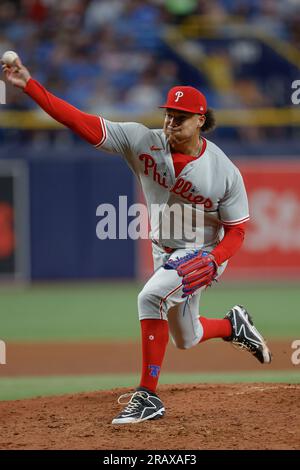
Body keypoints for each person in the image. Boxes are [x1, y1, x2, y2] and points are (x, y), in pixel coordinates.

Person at [2, 57, 272, 425]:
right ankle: (233, 325)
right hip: (165, 247)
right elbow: (79, 122)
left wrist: (214, 260)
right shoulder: (142, 141)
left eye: (180, 116)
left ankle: (148, 396)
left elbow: (238, 229)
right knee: (186, 337)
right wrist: (30, 86)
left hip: (206, 250)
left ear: (200, 120)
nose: (170, 122)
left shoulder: (224, 171)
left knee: (150, 296)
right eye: (168, 114)